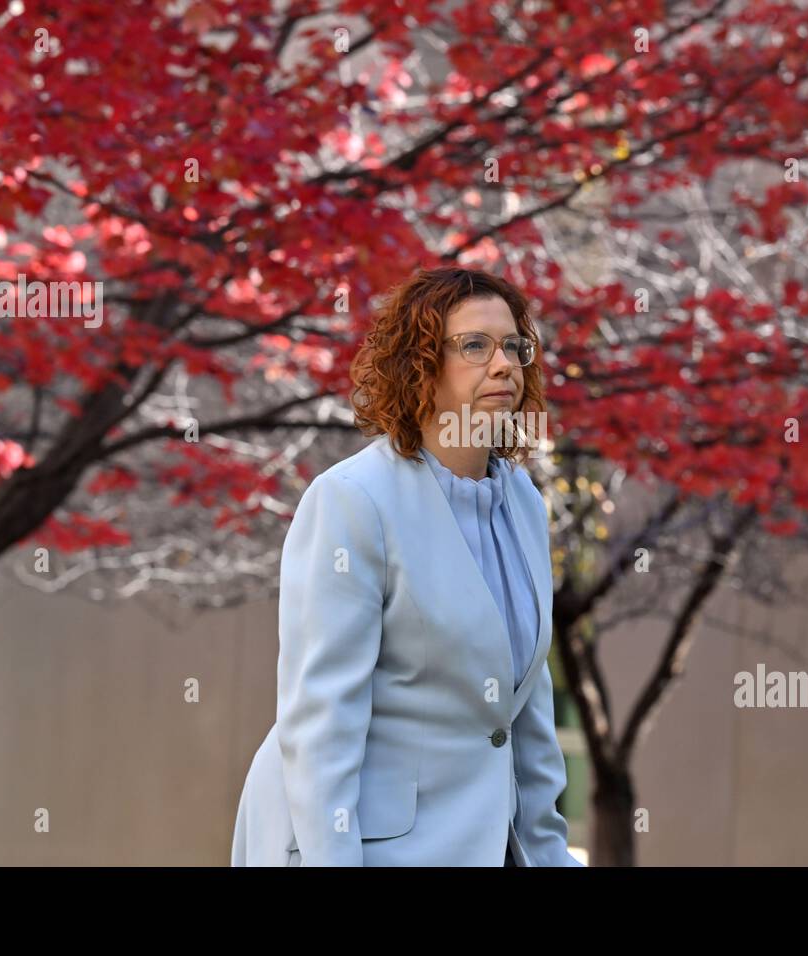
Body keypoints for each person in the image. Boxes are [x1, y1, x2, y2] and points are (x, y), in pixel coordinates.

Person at [231, 267, 584, 867]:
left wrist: (549, 855)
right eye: (475, 346)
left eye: (514, 346)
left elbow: (525, 710)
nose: (503, 364)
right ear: (421, 363)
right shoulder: (354, 501)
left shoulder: (522, 499)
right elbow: (322, 723)